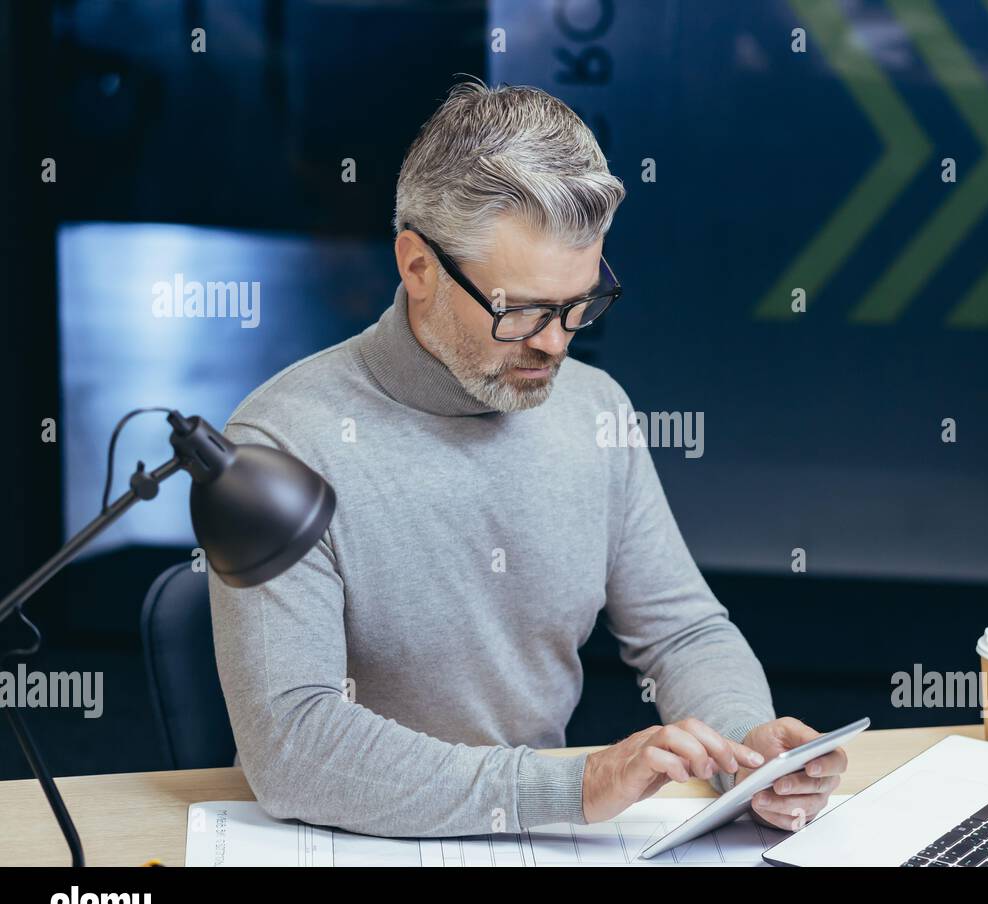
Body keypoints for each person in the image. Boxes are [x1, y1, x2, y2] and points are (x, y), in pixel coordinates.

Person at [209, 79, 847, 838]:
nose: (556, 342)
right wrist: (572, 788)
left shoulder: (594, 408)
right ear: (417, 268)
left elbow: (684, 634)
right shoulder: (280, 447)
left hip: (536, 840)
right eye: (522, 312)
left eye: (581, 304)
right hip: (353, 842)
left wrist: (747, 746)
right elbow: (293, 746)